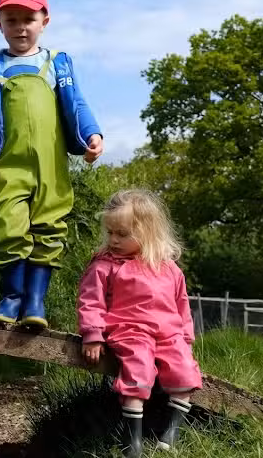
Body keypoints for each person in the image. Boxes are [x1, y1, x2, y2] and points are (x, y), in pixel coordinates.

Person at [0, 0, 103, 329]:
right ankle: (11, 297)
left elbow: (77, 102)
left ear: (45, 21)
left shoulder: (57, 62)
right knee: (7, 224)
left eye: (29, 18)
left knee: (49, 226)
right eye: (12, 20)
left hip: (51, 165)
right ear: (0, 24)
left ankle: (35, 302)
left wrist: (93, 134)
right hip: (9, 165)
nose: (20, 27)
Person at [77, 190, 202, 457]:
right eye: (110, 232)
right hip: (129, 331)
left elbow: (182, 305)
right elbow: (91, 301)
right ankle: (132, 439)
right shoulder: (105, 265)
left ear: (148, 232)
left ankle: (171, 433)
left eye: (122, 234)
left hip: (169, 334)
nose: (113, 239)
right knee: (138, 368)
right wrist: (93, 334)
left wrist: (186, 339)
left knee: (184, 372)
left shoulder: (168, 268)